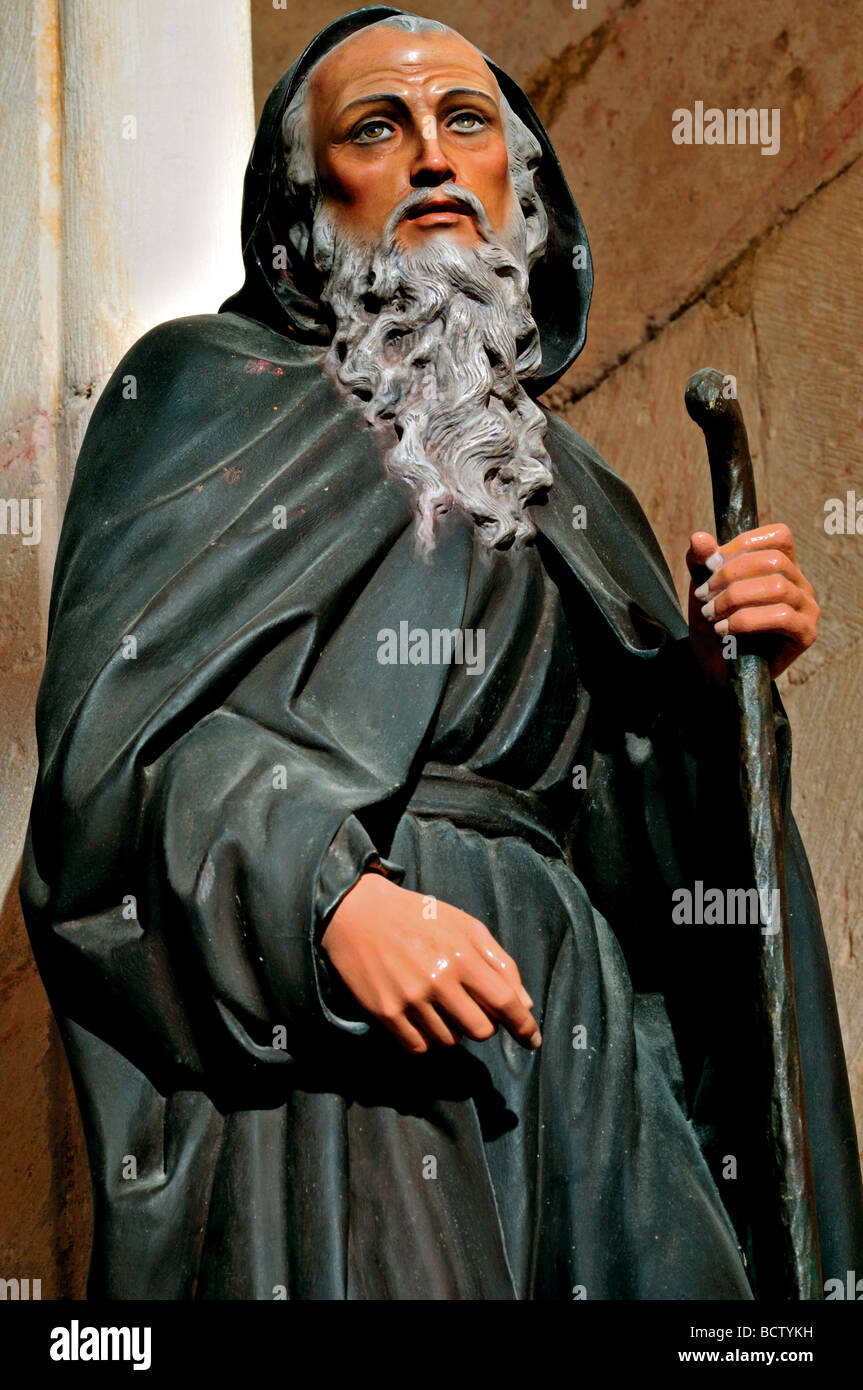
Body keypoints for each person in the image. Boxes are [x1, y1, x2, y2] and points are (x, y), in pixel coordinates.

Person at [21, 6, 862, 1300]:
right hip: (346, 1048)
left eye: (464, 122)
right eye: (377, 126)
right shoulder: (210, 391)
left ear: (517, 190)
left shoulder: (575, 489)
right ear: (302, 212)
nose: (429, 154)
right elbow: (113, 764)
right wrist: (320, 900)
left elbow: (653, 868)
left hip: (582, 1026)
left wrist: (700, 695)